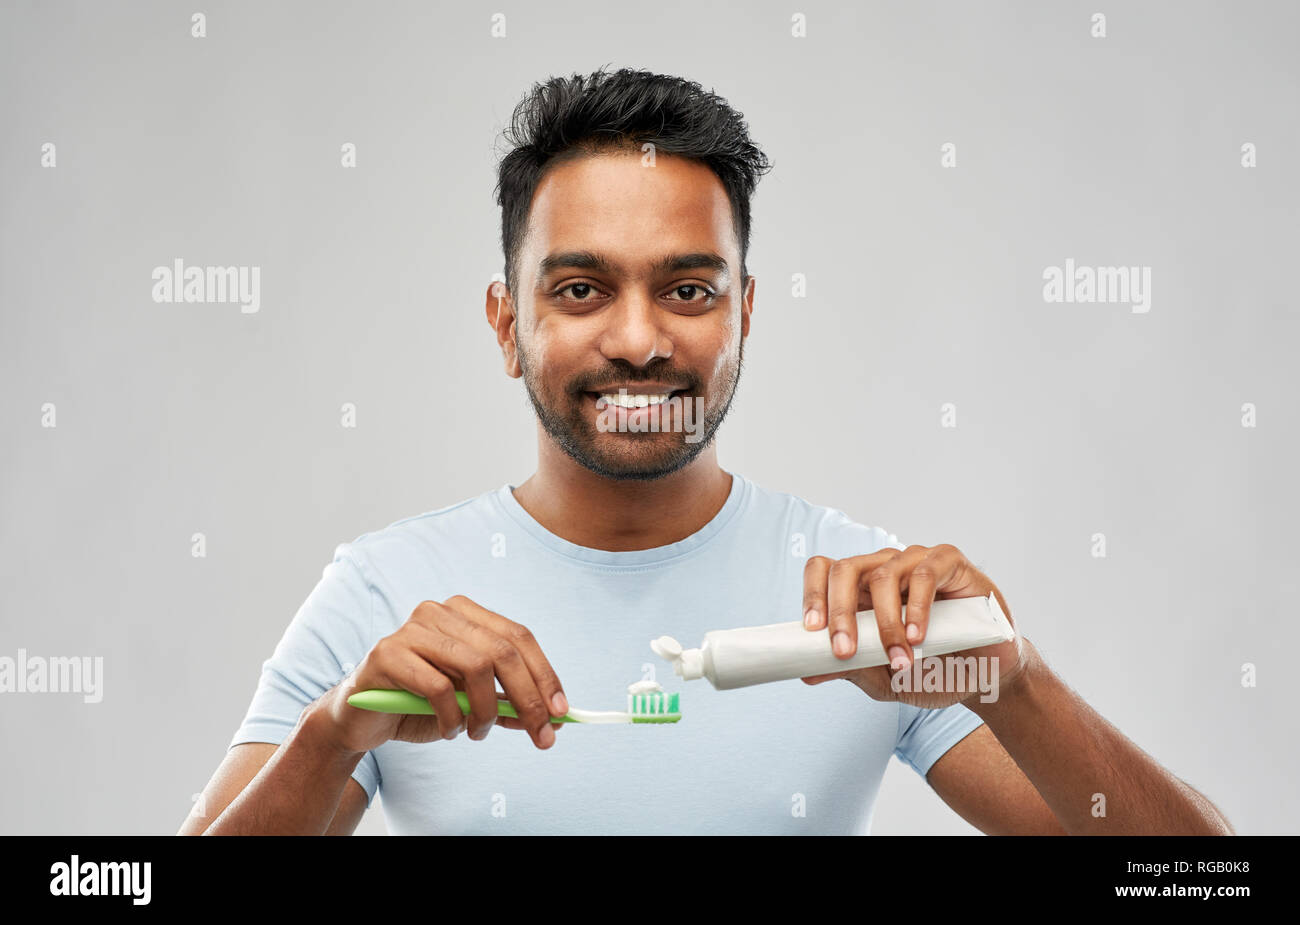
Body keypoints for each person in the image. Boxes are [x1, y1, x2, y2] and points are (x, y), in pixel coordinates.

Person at [180, 66, 1232, 835]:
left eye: (687, 290)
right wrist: (330, 737)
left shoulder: (862, 608)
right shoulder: (386, 594)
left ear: (745, 313)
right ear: (507, 325)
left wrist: (1016, 680)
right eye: (582, 289)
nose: (639, 340)